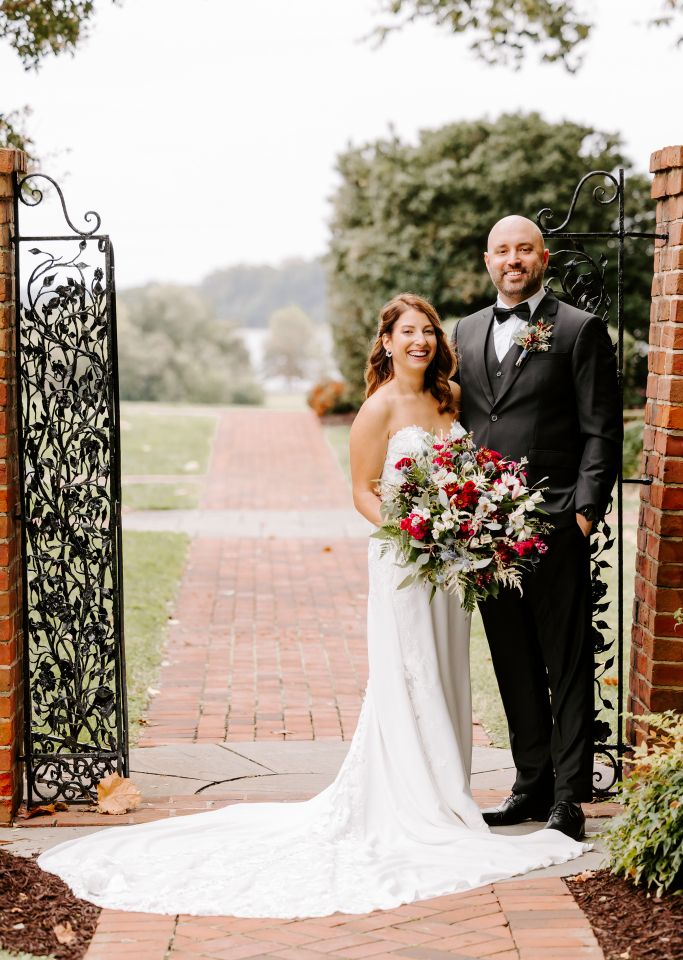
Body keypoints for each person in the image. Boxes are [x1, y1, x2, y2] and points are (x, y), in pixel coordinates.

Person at [37, 292, 587, 919]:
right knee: (410, 673)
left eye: (428, 332)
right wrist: (415, 532)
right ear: (385, 342)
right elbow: (360, 492)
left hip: (450, 567)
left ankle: (443, 789)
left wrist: (461, 530)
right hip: (407, 561)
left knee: (446, 672)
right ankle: (413, 799)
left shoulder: (450, 400)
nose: (420, 342)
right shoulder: (377, 409)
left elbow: (473, 468)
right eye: (407, 332)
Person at [452, 217, 623, 842]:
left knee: (567, 659)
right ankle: (530, 785)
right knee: (512, 658)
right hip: (485, 527)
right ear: (488, 260)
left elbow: (601, 429)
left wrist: (583, 510)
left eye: (524, 249)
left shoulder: (578, 330)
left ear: (543, 257)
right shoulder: (466, 332)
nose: (513, 260)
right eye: (502, 251)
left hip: (555, 520)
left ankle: (570, 796)